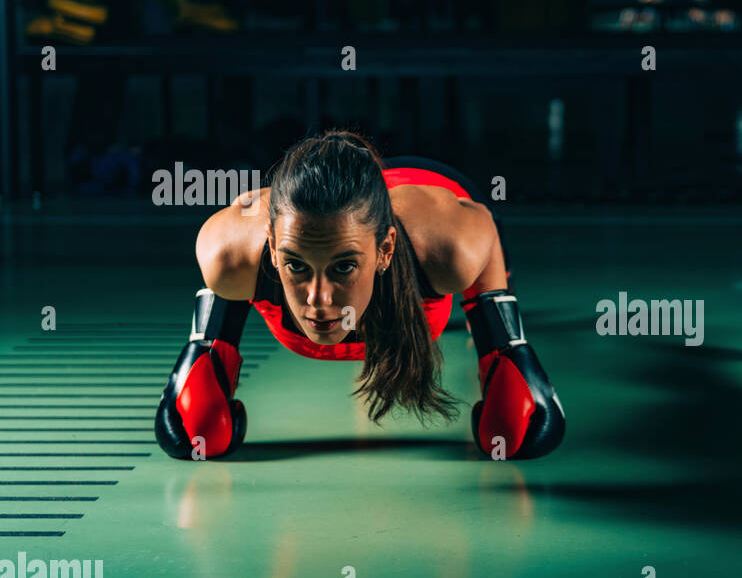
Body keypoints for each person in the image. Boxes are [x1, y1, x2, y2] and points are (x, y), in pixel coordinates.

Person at [155, 131, 564, 461]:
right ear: (274, 249)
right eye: (296, 265)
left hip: (422, 195)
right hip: (326, 205)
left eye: (344, 267)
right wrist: (208, 348)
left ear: (385, 251)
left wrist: (500, 339)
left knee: (516, 431)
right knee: (199, 434)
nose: (318, 299)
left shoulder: (448, 248)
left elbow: (483, 230)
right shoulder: (229, 254)